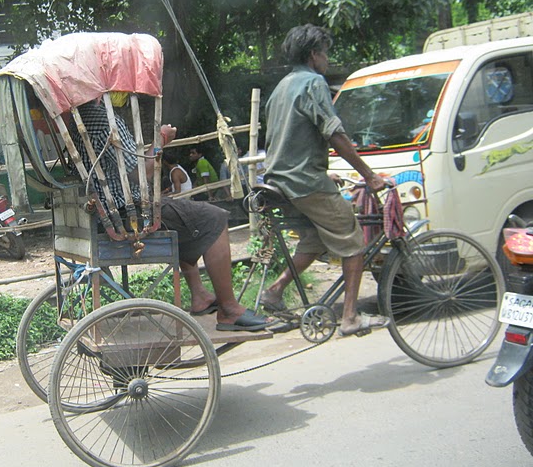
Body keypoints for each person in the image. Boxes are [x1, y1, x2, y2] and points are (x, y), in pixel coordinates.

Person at [72, 98, 272, 332]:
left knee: (187, 219)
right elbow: (141, 173)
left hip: (104, 211)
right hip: (130, 212)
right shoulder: (104, 120)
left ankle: (200, 296)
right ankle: (229, 309)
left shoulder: (78, 120)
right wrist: (162, 139)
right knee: (214, 218)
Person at [260, 24, 390, 337]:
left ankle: (275, 290)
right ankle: (350, 317)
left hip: (279, 180)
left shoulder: (281, 88)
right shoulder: (313, 82)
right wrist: (369, 175)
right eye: (325, 53)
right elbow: (334, 134)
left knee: (316, 239)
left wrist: (322, 169)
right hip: (302, 181)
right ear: (313, 54)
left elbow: (290, 137)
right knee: (352, 239)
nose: (327, 60)